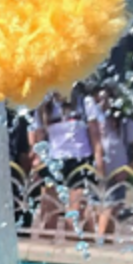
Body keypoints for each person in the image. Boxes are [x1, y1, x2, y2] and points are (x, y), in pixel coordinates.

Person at [83, 82, 133, 242]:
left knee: (105, 225)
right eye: (98, 101)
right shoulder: (90, 125)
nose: (102, 105)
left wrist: (127, 170)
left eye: (106, 99)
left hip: (115, 180)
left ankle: (101, 256)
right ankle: (100, 260)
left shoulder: (125, 125)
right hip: (94, 179)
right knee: (91, 226)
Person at [30, 84, 97, 237]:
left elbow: (95, 136)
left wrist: (99, 163)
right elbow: (39, 139)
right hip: (54, 162)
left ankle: (73, 256)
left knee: (74, 219)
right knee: (48, 218)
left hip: (80, 161)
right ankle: (45, 258)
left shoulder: (84, 103)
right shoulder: (44, 107)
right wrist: (37, 164)